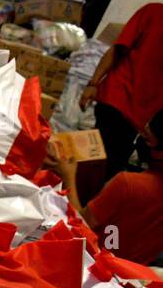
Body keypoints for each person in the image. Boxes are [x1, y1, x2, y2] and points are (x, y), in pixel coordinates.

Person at [55, 111, 163, 266]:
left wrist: (67, 176)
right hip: (129, 279)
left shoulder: (128, 184)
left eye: (146, 136)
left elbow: (79, 226)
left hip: (89, 264)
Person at [79, 2, 163, 180]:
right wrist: (93, 84)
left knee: (108, 165)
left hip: (142, 116)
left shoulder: (152, 11)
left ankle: (82, 201)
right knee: (98, 162)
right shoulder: (153, 12)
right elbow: (118, 49)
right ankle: (76, 200)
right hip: (119, 98)